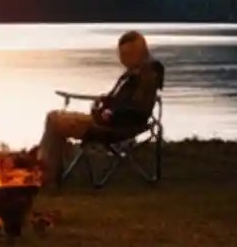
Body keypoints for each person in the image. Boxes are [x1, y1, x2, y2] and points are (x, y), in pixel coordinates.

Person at [33, 30, 161, 184]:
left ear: (138, 52)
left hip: (109, 128)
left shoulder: (145, 76)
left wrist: (109, 114)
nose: (122, 59)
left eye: (126, 54)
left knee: (54, 120)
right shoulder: (136, 73)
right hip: (108, 122)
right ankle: (49, 169)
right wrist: (107, 102)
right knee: (55, 117)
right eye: (121, 54)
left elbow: (135, 110)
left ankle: (46, 175)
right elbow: (124, 103)